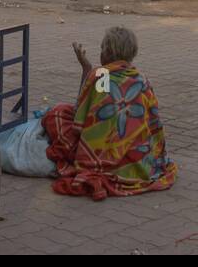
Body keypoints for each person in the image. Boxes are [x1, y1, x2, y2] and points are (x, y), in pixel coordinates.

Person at [42, 26, 178, 200]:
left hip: (101, 155)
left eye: (101, 49)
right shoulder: (141, 79)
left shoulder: (101, 76)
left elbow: (79, 117)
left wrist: (86, 68)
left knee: (58, 113)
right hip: (139, 158)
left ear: (107, 52)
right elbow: (154, 125)